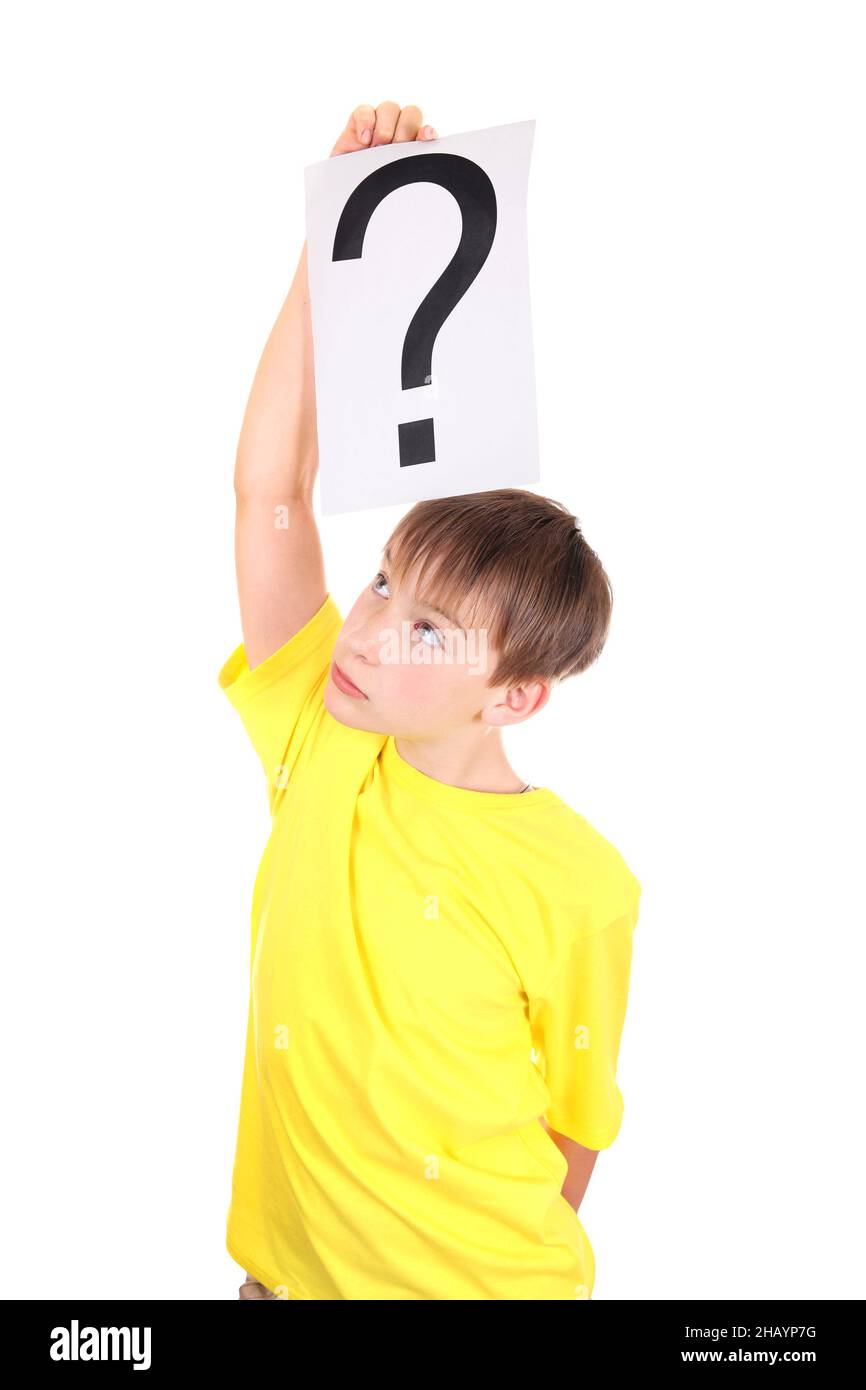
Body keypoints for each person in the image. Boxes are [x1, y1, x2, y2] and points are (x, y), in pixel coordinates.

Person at [219, 101, 642, 1301]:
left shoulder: (578, 881)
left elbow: (575, 1126)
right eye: (381, 581)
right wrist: (331, 239)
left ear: (513, 696)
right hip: (287, 1283)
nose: (363, 626)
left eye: (423, 626)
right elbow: (269, 495)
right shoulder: (325, 733)